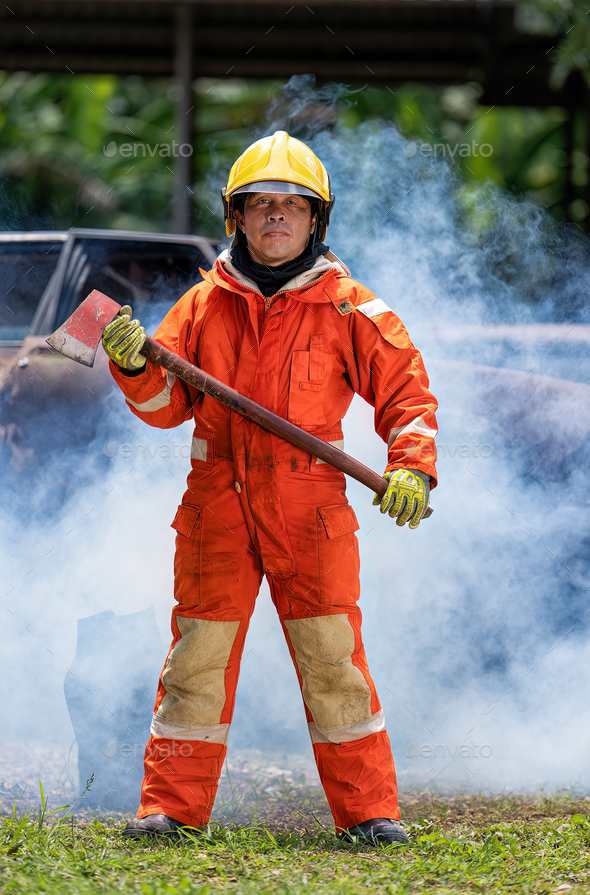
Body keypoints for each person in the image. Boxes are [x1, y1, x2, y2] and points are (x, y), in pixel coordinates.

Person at [102, 131, 438, 845]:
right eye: (260, 204)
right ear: (237, 218)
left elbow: (408, 395)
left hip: (310, 511)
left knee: (332, 662)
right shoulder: (200, 307)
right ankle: (171, 810)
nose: (276, 216)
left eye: (292, 205)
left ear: (317, 220)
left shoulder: (353, 309)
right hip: (215, 508)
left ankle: (369, 814)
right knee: (196, 659)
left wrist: (411, 463)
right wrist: (135, 366)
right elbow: (165, 408)